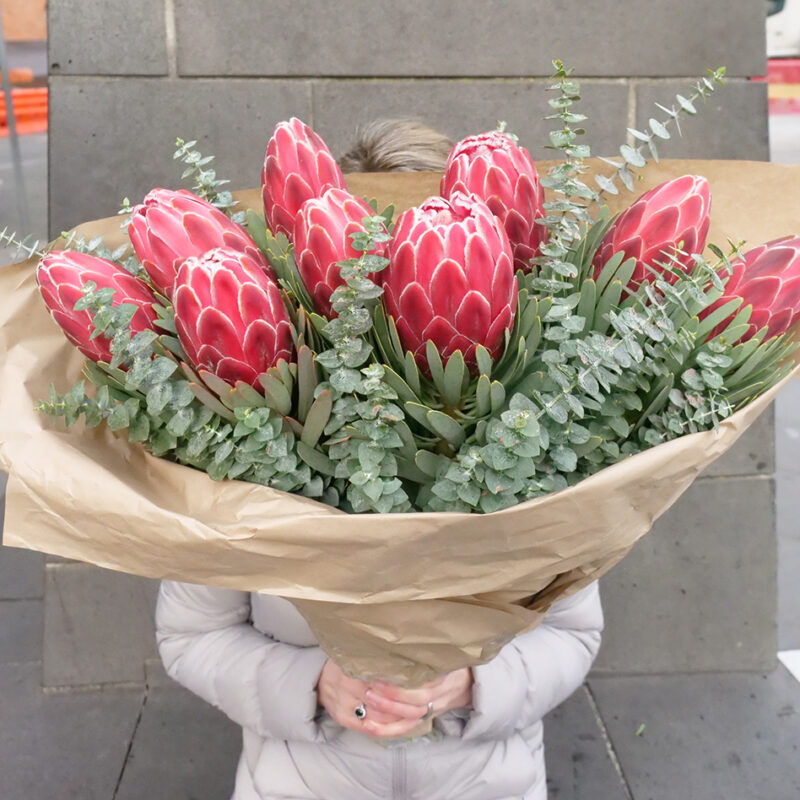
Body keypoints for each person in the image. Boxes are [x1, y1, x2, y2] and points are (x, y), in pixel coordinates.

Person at [155, 120, 604, 800]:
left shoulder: (535, 432)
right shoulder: (238, 435)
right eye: (375, 264)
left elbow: (572, 633)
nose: (392, 285)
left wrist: (475, 682)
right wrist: (313, 684)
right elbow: (191, 638)